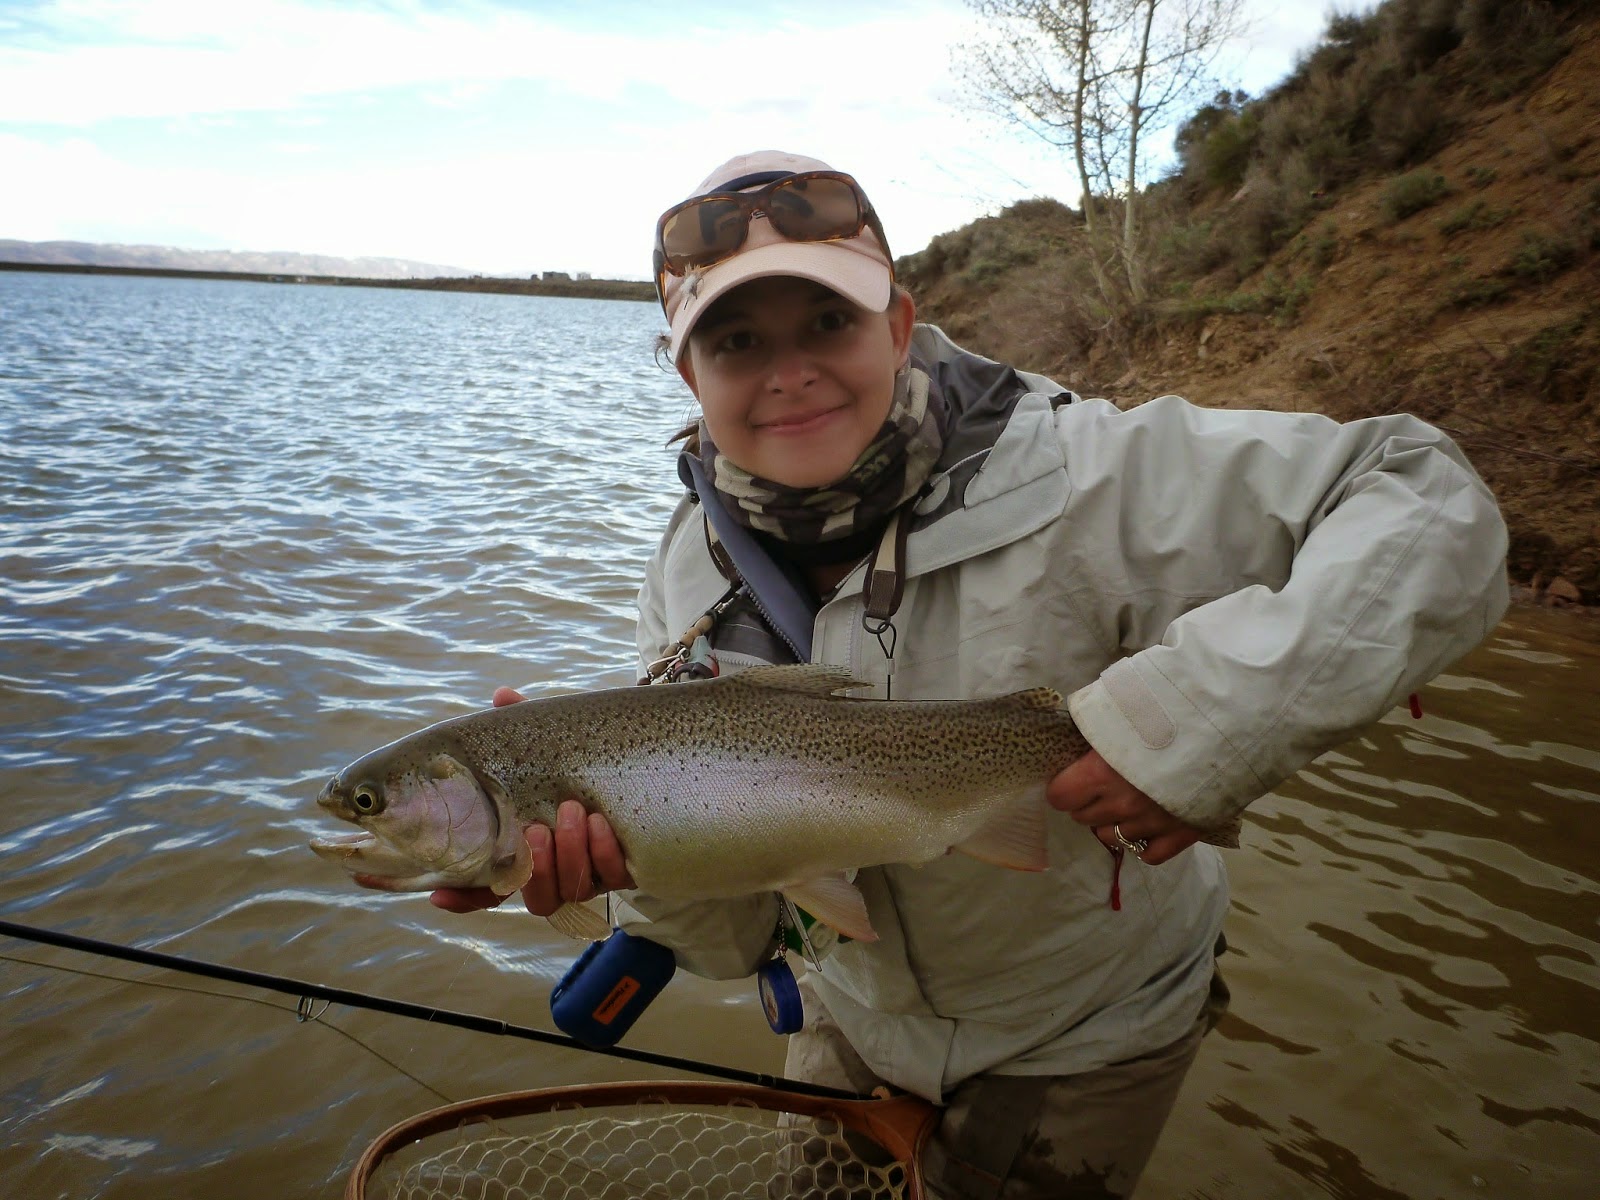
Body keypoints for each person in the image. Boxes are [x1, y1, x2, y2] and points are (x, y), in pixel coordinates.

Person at [433, 150, 1509, 1197]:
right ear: (688, 373)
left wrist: (1188, 728)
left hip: (1087, 1029)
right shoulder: (683, 571)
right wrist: (630, 875)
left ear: (898, 325)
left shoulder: (1091, 470)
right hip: (850, 1012)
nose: (789, 372)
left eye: (828, 322)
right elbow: (739, 935)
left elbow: (1424, 494)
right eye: (737, 341)